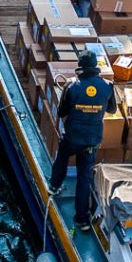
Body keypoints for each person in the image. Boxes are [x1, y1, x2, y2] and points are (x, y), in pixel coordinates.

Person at [48, 51, 116, 232]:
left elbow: (61, 112)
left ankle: (53, 186)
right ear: (95, 66)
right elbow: (112, 110)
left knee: (62, 157)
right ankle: (82, 220)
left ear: (80, 66)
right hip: (91, 140)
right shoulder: (108, 86)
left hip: (72, 137)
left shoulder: (71, 85)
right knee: (84, 178)